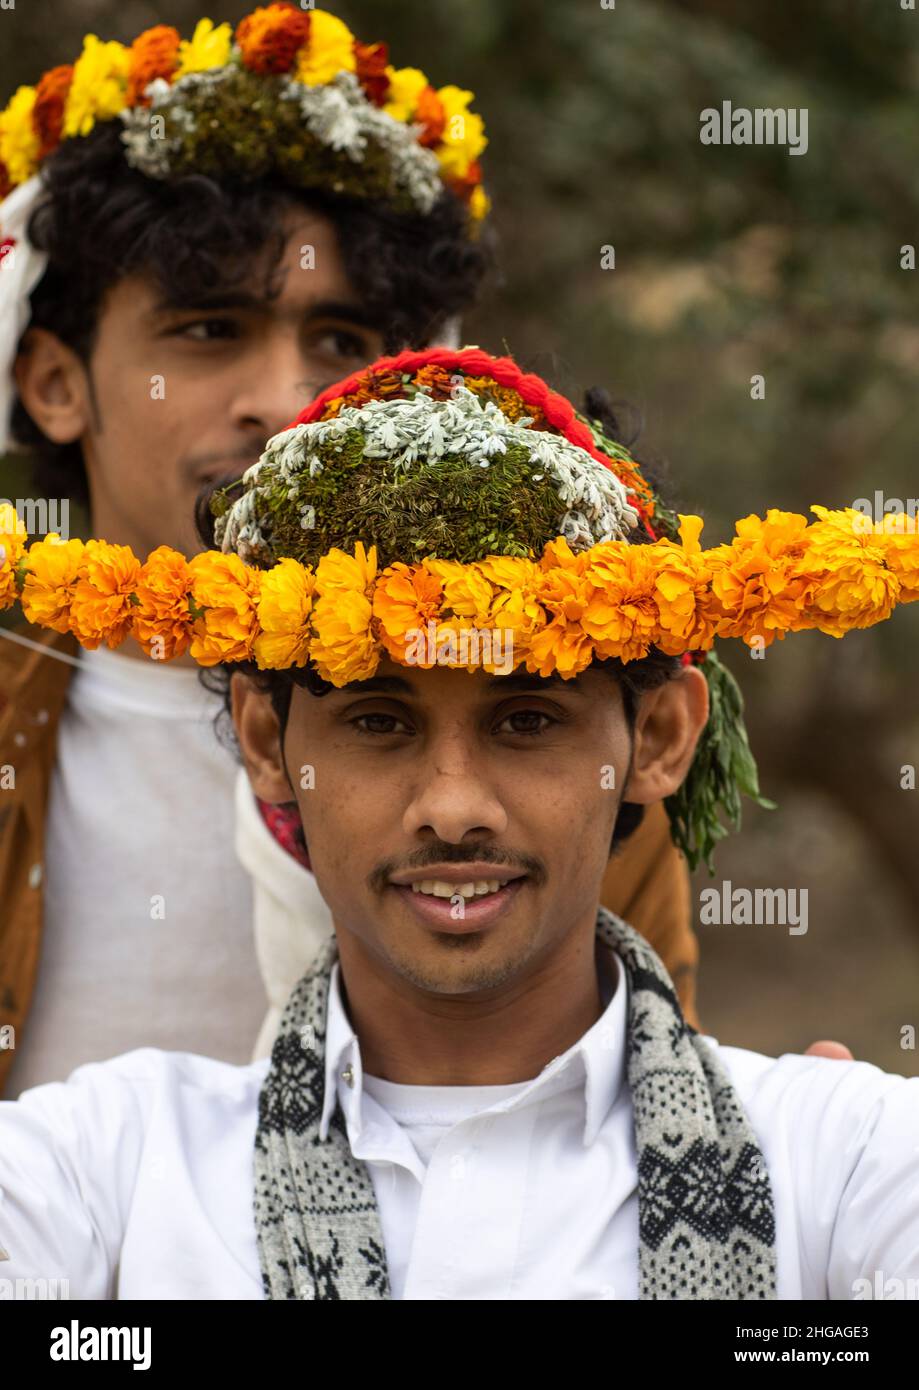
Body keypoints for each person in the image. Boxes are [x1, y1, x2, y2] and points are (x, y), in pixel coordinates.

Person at [0, 347, 914, 1300]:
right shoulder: (107, 1170)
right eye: (377, 721)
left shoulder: (842, 1164)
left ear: (658, 736)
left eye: (526, 721)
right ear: (267, 740)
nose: (452, 809)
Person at [0, 7, 700, 1095]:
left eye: (340, 343)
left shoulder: (562, 731)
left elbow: (630, 1125)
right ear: (53, 381)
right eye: (208, 330)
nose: (285, 401)